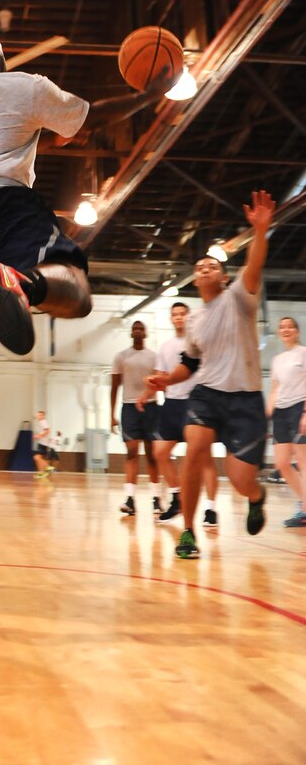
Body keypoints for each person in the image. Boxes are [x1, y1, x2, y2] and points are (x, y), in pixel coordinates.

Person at [0, 17, 173, 548]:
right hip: (0, 206)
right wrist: (150, 95)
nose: (3, 46)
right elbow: (89, 121)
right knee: (76, 288)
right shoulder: (25, 87)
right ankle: (20, 284)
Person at [143, 190, 274, 559]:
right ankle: (188, 533)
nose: (204, 268)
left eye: (211, 265)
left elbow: (255, 266)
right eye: (199, 267)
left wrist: (260, 230)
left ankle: (256, 496)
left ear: (224, 275)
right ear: (194, 280)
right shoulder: (196, 321)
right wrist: (166, 380)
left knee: (239, 478)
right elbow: (192, 364)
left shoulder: (239, 297)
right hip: (207, 395)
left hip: (245, 398)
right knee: (195, 453)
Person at [152, 303, 219, 529]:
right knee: (160, 452)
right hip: (172, 402)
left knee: (205, 458)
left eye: (183, 314)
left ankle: (211, 509)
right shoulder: (165, 346)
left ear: (189, 317)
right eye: (175, 314)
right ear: (171, 319)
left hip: (196, 401)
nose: (179, 317)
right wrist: (146, 393)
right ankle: (177, 497)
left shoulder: (200, 342)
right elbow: (161, 377)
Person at [110, 321, 161, 517]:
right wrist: (111, 415)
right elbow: (114, 387)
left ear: (146, 333)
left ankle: (156, 499)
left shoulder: (153, 357)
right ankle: (130, 499)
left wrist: (148, 398)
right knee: (131, 453)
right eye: (135, 328)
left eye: (141, 328)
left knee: (152, 455)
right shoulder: (121, 357)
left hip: (150, 407)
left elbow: (157, 384)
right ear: (131, 333)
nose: (138, 331)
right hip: (129, 408)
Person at [267, 316, 306, 527]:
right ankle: (304, 506)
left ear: (297, 331)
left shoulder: (303, 353)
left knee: (303, 462)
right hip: (280, 412)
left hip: (299, 408)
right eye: (282, 327)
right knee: (281, 463)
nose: (286, 329)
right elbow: (275, 389)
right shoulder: (277, 359)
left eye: (290, 326)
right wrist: (266, 414)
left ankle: (304, 510)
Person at [33, 409, 52, 478]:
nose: (38, 416)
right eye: (37, 415)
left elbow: (47, 430)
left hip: (43, 443)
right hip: (41, 442)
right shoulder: (41, 422)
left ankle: (48, 467)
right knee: (37, 458)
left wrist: (38, 436)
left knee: (36, 457)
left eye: (40, 415)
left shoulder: (43, 422)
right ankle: (41, 473)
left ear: (43, 416)